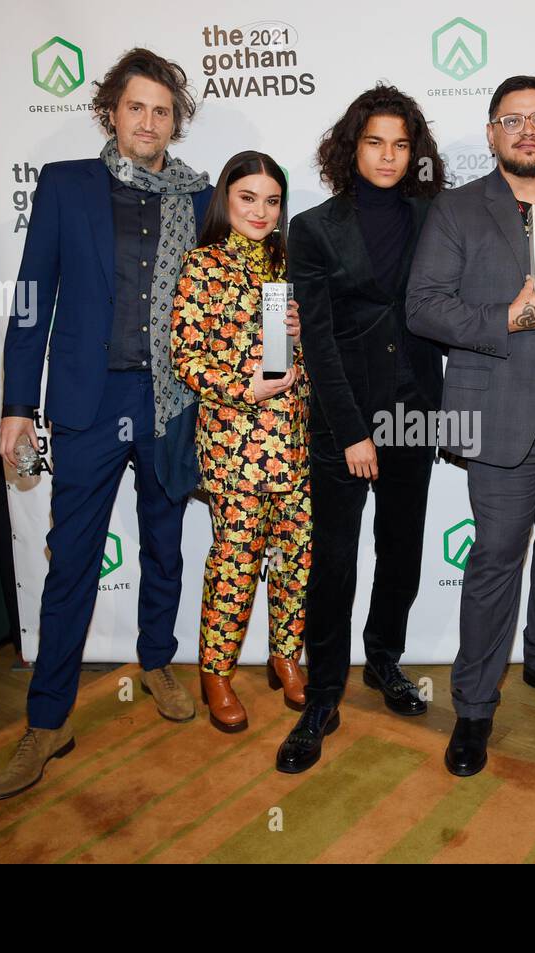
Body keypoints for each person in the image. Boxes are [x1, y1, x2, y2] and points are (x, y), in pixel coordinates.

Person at [278, 84, 535, 774]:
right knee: (333, 561)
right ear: (350, 147)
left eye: (400, 143)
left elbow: (523, 192)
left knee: (402, 552)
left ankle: (384, 660)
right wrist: (353, 429)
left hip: (419, 411)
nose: (388, 155)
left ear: (415, 151)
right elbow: (321, 343)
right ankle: (324, 692)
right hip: (345, 417)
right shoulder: (311, 228)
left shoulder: (436, 214)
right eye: (374, 142)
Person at [0, 49, 211, 800]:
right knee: (71, 561)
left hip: (172, 401)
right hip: (88, 405)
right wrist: (16, 405)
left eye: (161, 109)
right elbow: (30, 300)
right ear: (110, 112)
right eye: (136, 107)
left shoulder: (201, 196)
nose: (149, 121)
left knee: (165, 543)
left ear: (173, 120)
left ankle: (156, 659)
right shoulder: (65, 186)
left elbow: (260, 252)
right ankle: (48, 719)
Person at [406, 75, 535, 778]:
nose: (527, 131)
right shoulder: (458, 210)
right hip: (500, 424)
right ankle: (472, 707)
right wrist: (505, 318)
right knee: (495, 563)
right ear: (493, 132)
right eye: (512, 120)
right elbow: (424, 307)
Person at [170, 151, 308, 733]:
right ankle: (217, 675)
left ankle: (286, 655)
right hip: (233, 440)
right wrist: (240, 386)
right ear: (226, 199)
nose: (260, 210)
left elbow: (298, 356)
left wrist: (299, 340)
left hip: (293, 436)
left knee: (297, 553)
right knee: (236, 558)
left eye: (271, 200)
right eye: (248, 197)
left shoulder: (287, 262)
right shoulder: (201, 265)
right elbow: (185, 357)